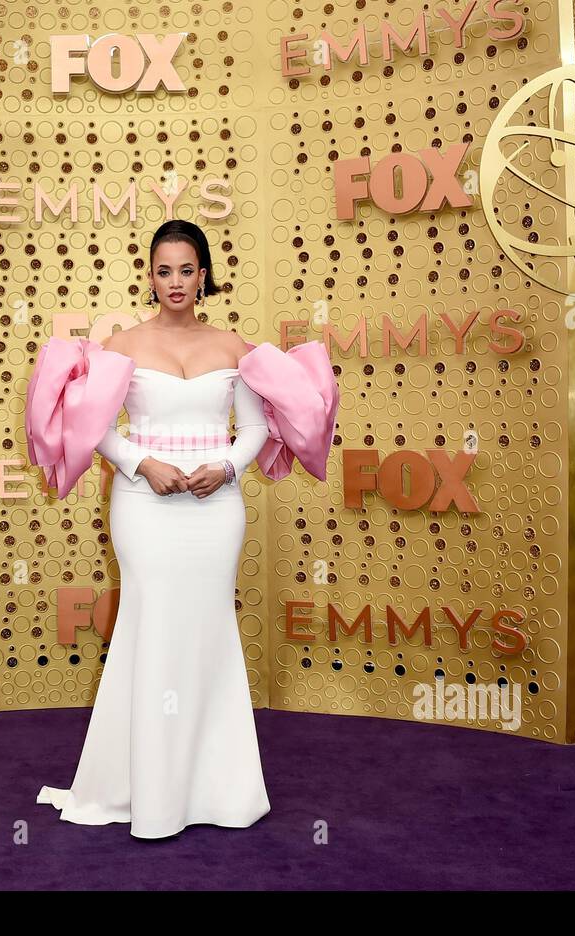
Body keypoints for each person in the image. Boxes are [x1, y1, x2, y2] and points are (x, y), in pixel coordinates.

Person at [25, 219, 339, 838]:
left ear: (204, 274)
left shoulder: (233, 347)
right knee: (154, 626)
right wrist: (143, 463)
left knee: (207, 629)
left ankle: (217, 790)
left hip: (215, 512)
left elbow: (251, 428)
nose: (175, 282)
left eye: (186, 270)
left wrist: (225, 467)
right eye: (163, 270)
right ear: (150, 274)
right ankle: (152, 792)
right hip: (143, 506)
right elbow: (97, 427)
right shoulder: (122, 344)